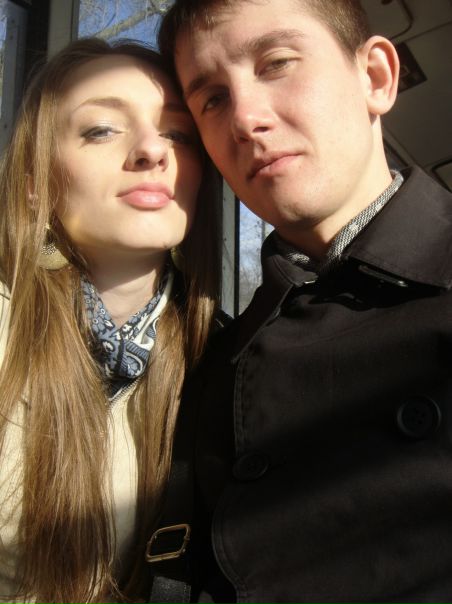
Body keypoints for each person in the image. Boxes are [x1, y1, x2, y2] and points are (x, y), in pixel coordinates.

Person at [154, 0, 452, 602]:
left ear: (375, 78)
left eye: (277, 63)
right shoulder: (214, 363)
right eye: (212, 99)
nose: (245, 119)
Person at [0, 37, 220, 603]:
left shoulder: (226, 359)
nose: (152, 150)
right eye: (101, 130)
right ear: (35, 183)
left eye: (178, 134)